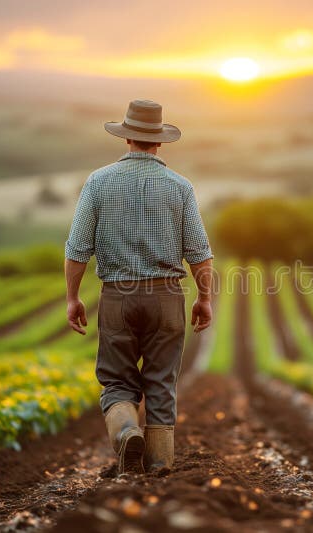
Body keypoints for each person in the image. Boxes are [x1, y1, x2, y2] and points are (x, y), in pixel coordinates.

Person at [63, 99, 214, 475]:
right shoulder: (180, 188)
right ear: (159, 142)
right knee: (162, 382)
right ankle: (160, 464)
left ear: (127, 138)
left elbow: (78, 248)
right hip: (166, 297)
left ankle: (127, 430)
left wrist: (72, 297)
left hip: (117, 296)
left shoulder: (98, 182)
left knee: (116, 380)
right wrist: (205, 298)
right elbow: (200, 254)